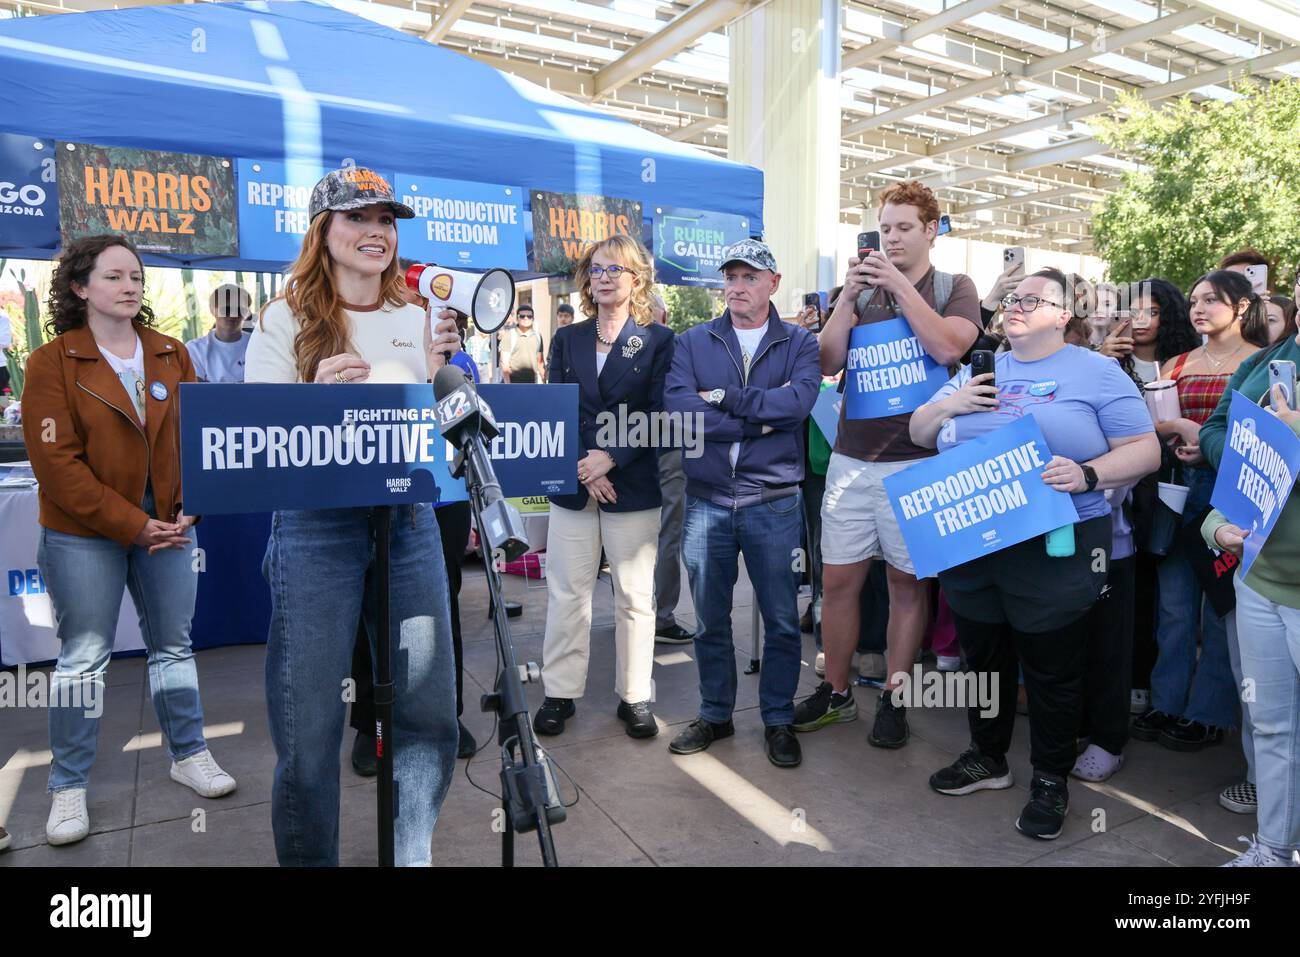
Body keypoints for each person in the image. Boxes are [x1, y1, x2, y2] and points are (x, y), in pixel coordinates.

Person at [244, 167, 462, 867]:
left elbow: (440, 429)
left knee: (428, 717)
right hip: (315, 527)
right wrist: (313, 396)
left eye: (386, 221)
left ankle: (411, 855)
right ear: (322, 232)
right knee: (309, 732)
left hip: (407, 522)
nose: (375, 232)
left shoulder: (415, 317)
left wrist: (442, 379)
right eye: (357, 219)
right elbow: (258, 437)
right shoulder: (284, 318)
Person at [909, 267, 1159, 840]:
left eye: (1033, 299)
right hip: (973, 537)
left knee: (1052, 664)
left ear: (1065, 314)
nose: (1015, 306)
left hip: (1056, 542)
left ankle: (1050, 778)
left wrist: (1089, 473)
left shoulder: (1097, 372)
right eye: (1012, 299)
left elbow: (1145, 450)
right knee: (984, 655)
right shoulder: (980, 369)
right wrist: (951, 405)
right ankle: (987, 756)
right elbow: (920, 434)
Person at [23, 234, 236, 847]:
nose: (130, 285)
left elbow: (200, 437)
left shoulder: (171, 353)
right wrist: (133, 523)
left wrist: (192, 505)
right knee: (83, 658)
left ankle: (188, 753)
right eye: (114, 276)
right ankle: (67, 787)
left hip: (167, 525)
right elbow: (57, 468)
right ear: (80, 287)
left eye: (136, 276)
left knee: (173, 646)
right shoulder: (51, 362)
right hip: (82, 533)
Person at [802, 180, 983, 748]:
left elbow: (949, 347)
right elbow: (827, 363)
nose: (893, 237)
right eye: (885, 228)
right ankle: (835, 691)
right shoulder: (853, 288)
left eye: (905, 227)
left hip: (919, 463)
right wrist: (847, 302)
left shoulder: (956, 286)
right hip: (852, 459)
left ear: (932, 230)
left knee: (908, 585)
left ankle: (896, 698)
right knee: (838, 580)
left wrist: (900, 286)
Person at [663, 239, 820, 768]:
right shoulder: (693, 341)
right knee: (709, 619)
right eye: (731, 276)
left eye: (750, 277)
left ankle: (777, 718)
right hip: (708, 499)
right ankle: (715, 713)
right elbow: (681, 409)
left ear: (773, 284)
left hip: (773, 502)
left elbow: (797, 405)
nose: (737, 286)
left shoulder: (799, 342)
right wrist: (760, 420)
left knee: (779, 617)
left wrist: (725, 399)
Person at [533, 235, 675, 738]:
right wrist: (582, 465)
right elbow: (556, 409)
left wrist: (610, 459)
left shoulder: (660, 341)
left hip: (630, 484)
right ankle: (559, 692)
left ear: (636, 278)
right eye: (596, 269)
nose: (604, 277)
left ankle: (635, 695)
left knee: (634, 596)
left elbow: (663, 416)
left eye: (615, 269)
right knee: (567, 592)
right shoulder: (567, 339)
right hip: (574, 485)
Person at [1134, 270, 1262, 754]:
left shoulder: (1258, 363)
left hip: (1232, 493)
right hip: (1176, 489)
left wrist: (1204, 443)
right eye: (1194, 301)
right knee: (1173, 605)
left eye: (1212, 300)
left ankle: (1209, 712)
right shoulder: (1178, 362)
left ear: (1243, 307)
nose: (1199, 308)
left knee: (1220, 610)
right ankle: (1166, 700)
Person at [1199, 316, 1300, 866]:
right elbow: (1235, 464)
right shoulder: (1262, 365)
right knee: (1271, 723)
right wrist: (1218, 527)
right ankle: (1275, 849)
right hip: (1258, 579)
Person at [648, 292, 692, 644]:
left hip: (624, 446)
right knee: (666, 533)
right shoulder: (675, 344)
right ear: (663, 315)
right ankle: (660, 617)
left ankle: (634, 609)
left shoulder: (620, 345)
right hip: (666, 445)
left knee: (631, 535)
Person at [186, 283, 252, 382]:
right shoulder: (195, 349)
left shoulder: (257, 345)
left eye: (240, 310)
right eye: (226, 309)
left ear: (247, 313)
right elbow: (196, 392)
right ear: (212, 310)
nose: (233, 315)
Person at [503, 304, 544, 383]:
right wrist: (508, 386)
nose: (526, 318)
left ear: (533, 319)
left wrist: (544, 382)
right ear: (517, 318)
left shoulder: (538, 336)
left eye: (529, 316)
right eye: (522, 316)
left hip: (532, 384)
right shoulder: (509, 335)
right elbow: (504, 364)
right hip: (514, 385)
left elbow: (540, 363)